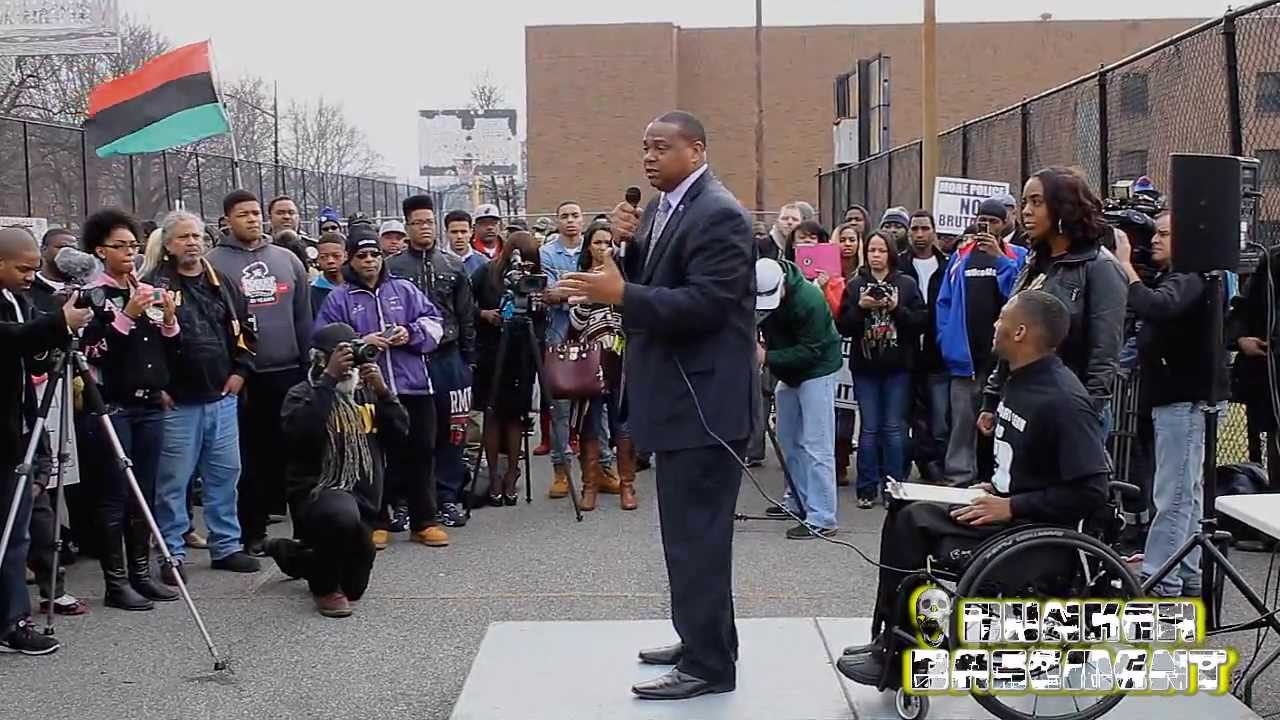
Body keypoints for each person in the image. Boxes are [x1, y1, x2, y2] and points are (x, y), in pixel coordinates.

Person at [560, 110, 756, 700]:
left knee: (697, 538)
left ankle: (708, 665)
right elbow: (659, 280)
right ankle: (703, 639)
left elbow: (706, 305)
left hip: (706, 406)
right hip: (679, 399)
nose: (648, 157)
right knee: (687, 535)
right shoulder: (666, 207)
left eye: (661, 147)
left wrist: (622, 293)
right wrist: (631, 247)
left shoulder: (719, 213)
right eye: (645, 146)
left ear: (697, 150)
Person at [836, 290, 1112, 685]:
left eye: (1002, 318)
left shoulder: (1063, 401)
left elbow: (1093, 492)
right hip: (1005, 508)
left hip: (1032, 533)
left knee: (914, 523)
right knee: (902, 505)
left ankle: (900, 658)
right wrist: (997, 487)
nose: (995, 325)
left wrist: (1011, 505)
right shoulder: (1020, 379)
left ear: (1021, 332)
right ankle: (890, 638)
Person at [315, 224, 448, 549]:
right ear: (350, 259)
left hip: (413, 386)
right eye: (362, 255)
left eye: (374, 254)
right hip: (365, 392)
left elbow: (435, 324)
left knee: (421, 453)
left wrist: (410, 332)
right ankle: (377, 521)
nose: (370, 261)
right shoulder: (338, 298)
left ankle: (424, 521)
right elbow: (322, 341)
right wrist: (362, 342)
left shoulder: (404, 289)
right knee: (374, 458)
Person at [1114, 214, 1227, 597]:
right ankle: (1186, 572)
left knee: (1174, 494)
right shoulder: (1178, 277)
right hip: (1176, 398)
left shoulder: (1190, 277)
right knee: (1186, 493)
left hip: (1185, 400)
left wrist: (1125, 266)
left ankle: (1161, 579)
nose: (1154, 240)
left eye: (1164, 234)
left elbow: (1157, 306)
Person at [144, 210, 260, 581]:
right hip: (177, 403)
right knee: (173, 482)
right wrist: (158, 387)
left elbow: (248, 330)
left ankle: (226, 545)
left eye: (197, 236)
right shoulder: (153, 285)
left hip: (222, 398)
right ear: (167, 244)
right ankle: (172, 552)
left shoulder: (222, 282)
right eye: (183, 237)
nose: (192, 243)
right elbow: (144, 344)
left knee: (225, 475)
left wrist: (241, 372)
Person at [268, 323, 409, 618]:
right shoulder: (303, 393)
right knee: (340, 516)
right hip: (318, 492)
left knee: (354, 588)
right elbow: (300, 435)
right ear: (320, 359)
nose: (348, 368)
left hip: (363, 501)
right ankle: (325, 589)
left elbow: (400, 436)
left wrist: (384, 393)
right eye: (340, 358)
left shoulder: (365, 393)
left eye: (351, 358)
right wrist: (329, 380)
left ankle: (295, 555)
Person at [79, 209, 182, 611]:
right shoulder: (93, 295)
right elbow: (93, 352)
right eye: (119, 246)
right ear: (100, 250)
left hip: (150, 403)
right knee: (115, 494)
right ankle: (116, 581)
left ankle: (141, 573)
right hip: (114, 406)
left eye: (134, 246)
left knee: (145, 491)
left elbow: (169, 349)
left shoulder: (145, 288)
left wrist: (168, 319)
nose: (129, 253)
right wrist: (128, 316)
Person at [980, 167, 1128, 435]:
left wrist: (1087, 413)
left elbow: (1104, 353)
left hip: (1068, 410)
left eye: (1036, 202)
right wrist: (992, 398)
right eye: (1024, 202)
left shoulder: (1100, 267)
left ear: (1063, 208)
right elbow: (1010, 335)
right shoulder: (1035, 263)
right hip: (1021, 402)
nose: (1026, 211)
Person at [0, 228, 91, 654]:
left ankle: (12, 619)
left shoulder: (21, 299)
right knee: (9, 532)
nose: (29, 277)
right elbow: (9, 339)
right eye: (22, 268)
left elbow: (32, 356)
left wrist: (60, 328)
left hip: (18, 429)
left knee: (17, 532)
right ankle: (11, 621)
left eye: (35, 269)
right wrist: (56, 324)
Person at [207, 189, 313, 556]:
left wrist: (308, 367)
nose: (252, 219)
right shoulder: (213, 263)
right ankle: (252, 532)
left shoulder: (287, 260)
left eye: (255, 213)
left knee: (295, 456)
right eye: (243, 214)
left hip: (289, 371)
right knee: (248, 459)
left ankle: (305, 533)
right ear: (227, 220)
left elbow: (303, 317)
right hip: (243, 377)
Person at [386, 194, 476, 528]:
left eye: (429, 222)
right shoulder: (392, 268)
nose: (425, 228)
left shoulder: (453, 265)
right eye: (418, 223)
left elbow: (466, 316)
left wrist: (469, 361)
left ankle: (447, 496)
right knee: (407, 431)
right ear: (407, 226)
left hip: (449, 359)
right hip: (408, 360)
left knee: (453, 430)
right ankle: (405, 500)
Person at [836, 232, 927, 508]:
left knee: (893, 428)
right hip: (865, 368)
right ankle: (866, 488)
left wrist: (896, 308)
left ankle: (893, 488)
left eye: (881, 250)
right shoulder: (855, 285)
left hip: (898, 367)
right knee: (870, 428)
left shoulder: (906, 284)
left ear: (890, 254)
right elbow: (843, 326)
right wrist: (861, 307)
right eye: (872, 250)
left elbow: (920, 322)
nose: (876, 255)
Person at [937, 208, 1027, 488]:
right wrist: (946, 339)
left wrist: (1001, 260)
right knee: (962, 425)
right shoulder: (960, 257)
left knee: (1005, 425)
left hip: (1004, 360)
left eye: (993, 221)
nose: (986, 226)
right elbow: (944, 302)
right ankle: (959, 480)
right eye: (982, 220)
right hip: (966, 357)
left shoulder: (1017, 256)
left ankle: (1000, 481)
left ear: (1005, 224)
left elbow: (1021, 296)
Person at [755, 258, 843, 539]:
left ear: (783, 283)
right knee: (788, 438)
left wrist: (767, 357)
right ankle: (796, 500)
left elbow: (812, 350)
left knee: (817, 444)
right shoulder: (754, 288)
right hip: (788, 371)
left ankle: (823, 516)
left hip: (818, 369)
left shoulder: (810, 299)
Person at [542, 201, 619, 499]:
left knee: (599, 408)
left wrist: (572, 290)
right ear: (557, 221)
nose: (570, 220)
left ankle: (604, 468)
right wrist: (587, 291)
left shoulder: (599, 249)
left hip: (597, 341)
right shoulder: (547, 253)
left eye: (575, 215)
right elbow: (550, 293)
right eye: (564, 216)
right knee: (561, 408)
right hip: (561, 338)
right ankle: (561, 471)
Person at [470, 231, 547, 506]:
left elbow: (541, 319)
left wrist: (540, 304)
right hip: (492, 351)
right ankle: (493, 476)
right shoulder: (485, 273)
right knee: (492, 415)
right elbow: (465, 305)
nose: (525, 266)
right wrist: (483, 314)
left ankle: (512, 473)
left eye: (530, 261)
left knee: (516, 416)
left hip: (522, 354)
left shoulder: (536, 278)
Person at [567, 220, 636, 511]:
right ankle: (590, 485)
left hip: (621, 359)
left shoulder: (625, 278)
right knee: (590, 424)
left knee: (624, 424)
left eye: (608, 243)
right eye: (597, 242)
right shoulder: (581, 278)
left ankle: (627, 485)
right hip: (590, 361)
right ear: (588, 247)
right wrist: (590, 293)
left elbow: (635, 315)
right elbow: (575, 322)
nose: (603, 248)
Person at [899, 210, 950, 484]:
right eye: (915, 229)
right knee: (905, 417)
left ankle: (935, 465)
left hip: (937, 353)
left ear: (934, 231)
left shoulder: (948, 265)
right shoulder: (899, 264)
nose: (919, 235)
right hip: (904, 352)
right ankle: (907, 464)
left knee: (939, 418)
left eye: (924, 228)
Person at [832, 221, 862, 486]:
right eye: (843, 239)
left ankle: (841, 460)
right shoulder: (827, 272)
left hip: (854, 344)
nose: (847, 244)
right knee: (830, 406)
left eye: (852, 239)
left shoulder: (863, 273)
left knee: (846, 408)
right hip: (831, 341)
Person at [29, 228, 77, 314]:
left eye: (74, 249)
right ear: (43, 250)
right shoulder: (27, 287)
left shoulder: (83, 286)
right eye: (62, 247)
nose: (70, 252)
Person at [310, 232, 346, 314]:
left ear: (346, 256)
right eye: (324, 257)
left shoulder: (357, 287)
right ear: (317, 259)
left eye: (336, 256)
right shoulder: (311, 293)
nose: (330, 261)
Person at [443, 210, 487, 275]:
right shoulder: (438, 261)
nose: (459, 236)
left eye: (463, 232)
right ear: (446, 233)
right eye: (454, 232)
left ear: (471, 232)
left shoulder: (483, 262)